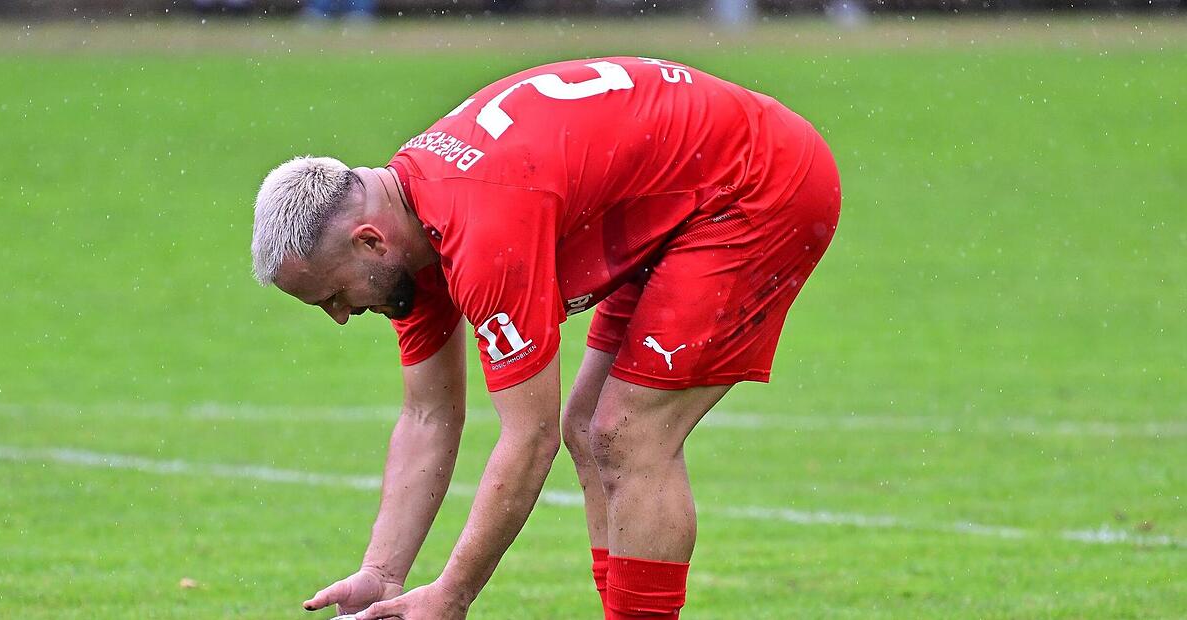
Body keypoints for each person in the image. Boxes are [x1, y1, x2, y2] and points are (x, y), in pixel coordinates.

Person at [251, 56, 841, 619]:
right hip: (682, 193)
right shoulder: (407, 235)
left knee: (629, 436)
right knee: (590, 430)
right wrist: (381, 573)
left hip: (758, 183)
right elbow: (429, 414)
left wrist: (452, 595)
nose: (340, 316)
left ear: (369, 242)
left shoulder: (479, 232)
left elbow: (529, 439)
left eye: (333, 295)